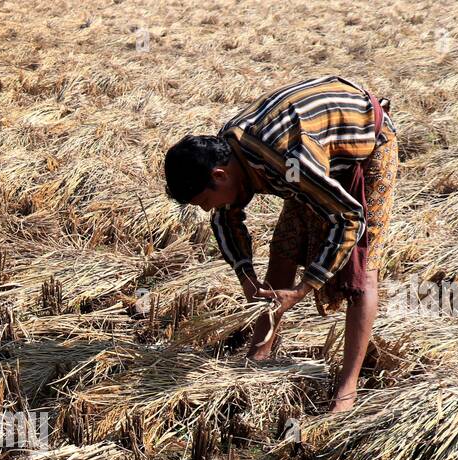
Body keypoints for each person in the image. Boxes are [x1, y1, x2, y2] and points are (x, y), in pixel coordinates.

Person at [164, 76, 398, 412]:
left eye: (204, 201)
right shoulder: (233, 152)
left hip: (367, 146)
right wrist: (246, 275)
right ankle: (260, 351)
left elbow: (349, 218)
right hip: (316, 154)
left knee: (361, 269)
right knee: (284, 250)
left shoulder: (290, 161)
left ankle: (347, 389)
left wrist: (305, 288)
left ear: (220, 175)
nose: (206, 210)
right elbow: (225, 218)